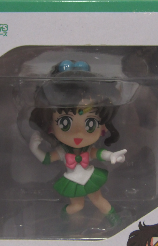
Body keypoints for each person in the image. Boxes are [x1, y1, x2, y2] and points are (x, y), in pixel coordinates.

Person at [29, 60, 127, 225]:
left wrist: (112, 156)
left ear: (103, 127)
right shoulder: (62, 152)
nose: (78, 132)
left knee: (99, 201)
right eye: (65, 124)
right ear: (51, 127)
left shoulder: (88, 149)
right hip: (72, 181)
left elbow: (99, 153)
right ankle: (69, 223)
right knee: (77, 206)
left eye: (90, 124)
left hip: (90, 177)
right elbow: (46, 159)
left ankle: (115, 222)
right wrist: (34, 147)